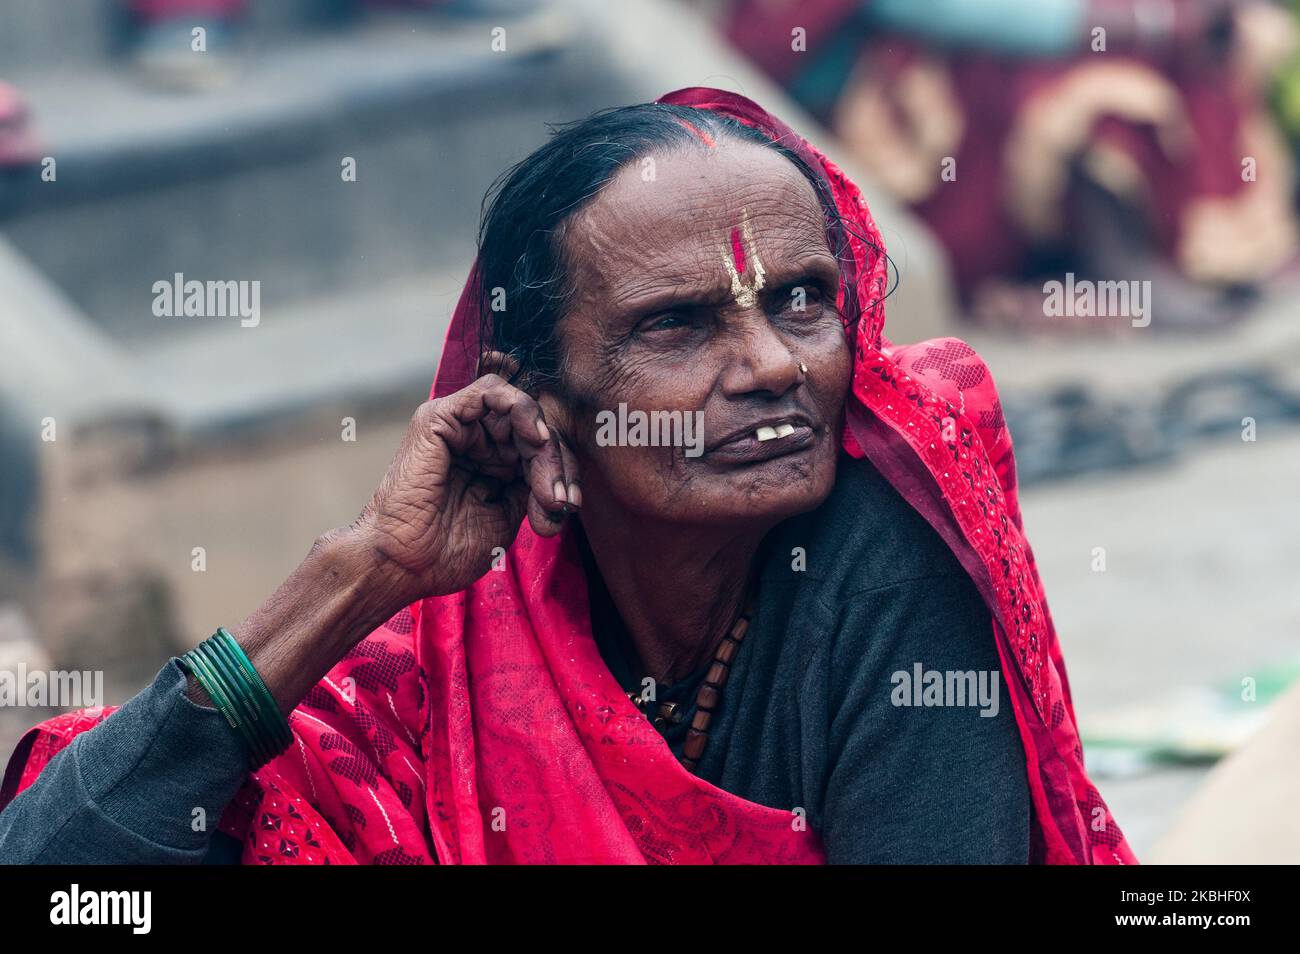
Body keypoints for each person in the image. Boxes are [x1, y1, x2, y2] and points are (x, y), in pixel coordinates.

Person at [0, 89, 1133, 865]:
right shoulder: (473, 623)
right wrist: (357, 575)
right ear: (534, 395)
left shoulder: (894, 568)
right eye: (676, 326)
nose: (775, 365)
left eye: (801, 298)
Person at [725, 0, 1298, 331]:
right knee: (1067, 65)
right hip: (887, 106)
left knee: (1190, 43)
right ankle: (1116, 261)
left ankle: (1153, 253)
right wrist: (1141, 20)